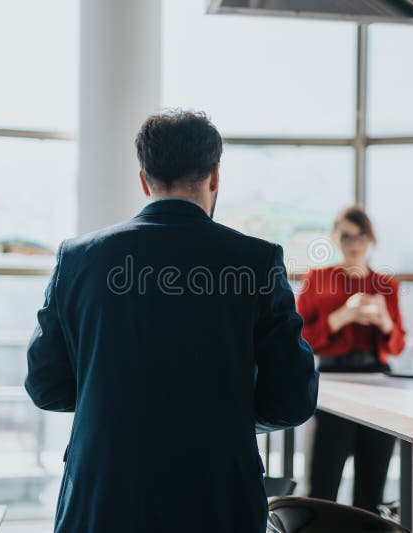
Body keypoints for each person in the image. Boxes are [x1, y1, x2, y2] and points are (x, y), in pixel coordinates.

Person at [25, 110, 319, 533]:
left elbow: (45, 384)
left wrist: (115, 402)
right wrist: (224, 411)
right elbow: (292, 398)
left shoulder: (79, 258)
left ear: (144, 179)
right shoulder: (256, 261)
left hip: (103, 496)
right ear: (215, 175)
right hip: (217, 497)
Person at [297, 206, 405, 513]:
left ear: (371, 239)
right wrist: (342, 316)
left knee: (371, 490)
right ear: (335, 239)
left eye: (361, 236)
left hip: (378, 381)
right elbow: (301, 338)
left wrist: (384, 320)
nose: (354, 244)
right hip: (333, 382)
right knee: (321, 487)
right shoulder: (318, 279)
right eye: (346, 237)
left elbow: (397, 346)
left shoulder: (386, 286)